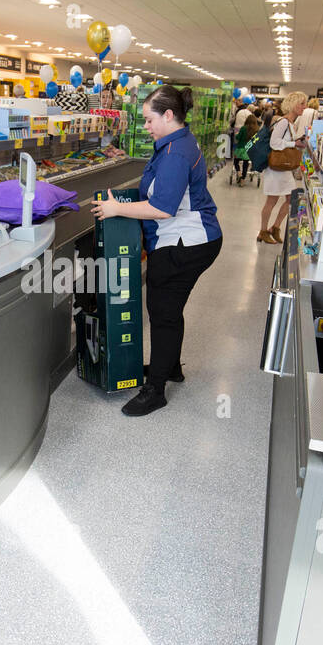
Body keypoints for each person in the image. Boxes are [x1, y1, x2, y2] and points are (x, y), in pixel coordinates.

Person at [91, 85, 222, 417]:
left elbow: (163, 208)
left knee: (162, 314)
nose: (146, 127)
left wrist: (117, 210)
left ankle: (156, 391)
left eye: (149, 120)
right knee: (170, 310)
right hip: (191, 238)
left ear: (168, 115)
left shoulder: (176, 153)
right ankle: (171, 367)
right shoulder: (175, 144)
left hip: (184, 243)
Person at [258, 91, 307, 244]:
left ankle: (275, 227)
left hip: (284, 169)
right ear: (293, 104)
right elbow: (274, 143)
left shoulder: (291, 123)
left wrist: (297, 141)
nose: (304, 107)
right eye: (301, 103)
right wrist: (294, 143)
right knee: (271, 201)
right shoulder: (283, 122)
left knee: (291, 199)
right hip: (276, 169)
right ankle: (263, 231)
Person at [232, 112, 259, 185]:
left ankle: (239, 173)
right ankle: (243, 180)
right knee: (246, 164)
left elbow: (238, 138)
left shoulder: (243, 128)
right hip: (250, 150)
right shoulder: (257, 130)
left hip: (240, 149)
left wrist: (237, 135)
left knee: (236, 162)